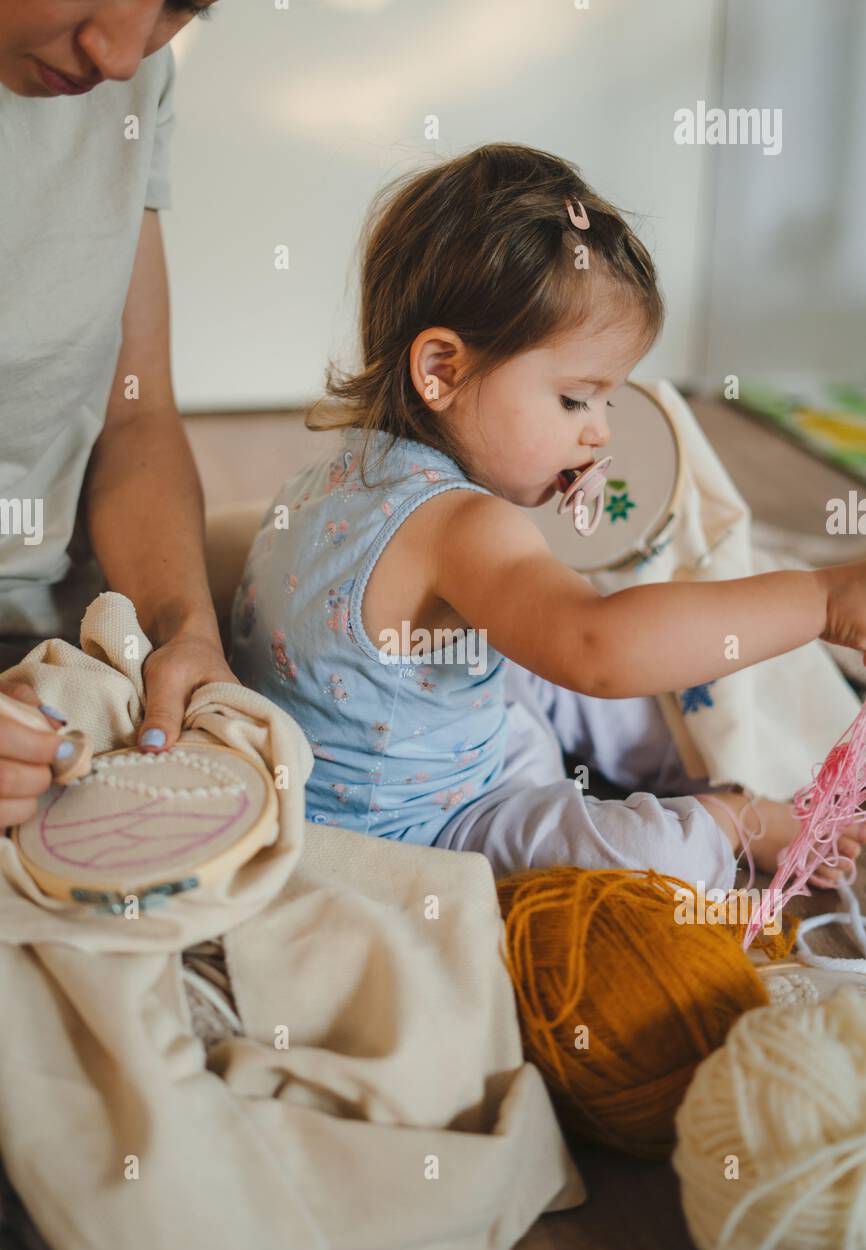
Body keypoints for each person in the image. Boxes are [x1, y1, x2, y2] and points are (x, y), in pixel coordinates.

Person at [229, 143, 866, 894]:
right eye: (574, 399)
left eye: (608, 400)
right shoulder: (460, 527)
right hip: (418, 829)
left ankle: (698, 750)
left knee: (565, 643)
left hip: (428, 730)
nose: (598, 432)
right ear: (441, 369)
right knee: (654, 858)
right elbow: (596, 650)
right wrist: (821, 599)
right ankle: (732, 814)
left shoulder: (337, 475)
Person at [0, 0, 232, 831]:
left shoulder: (128, 87)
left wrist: (186, 634)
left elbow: (135, 418)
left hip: (49, 620)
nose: (123, 56)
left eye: (183, 5)